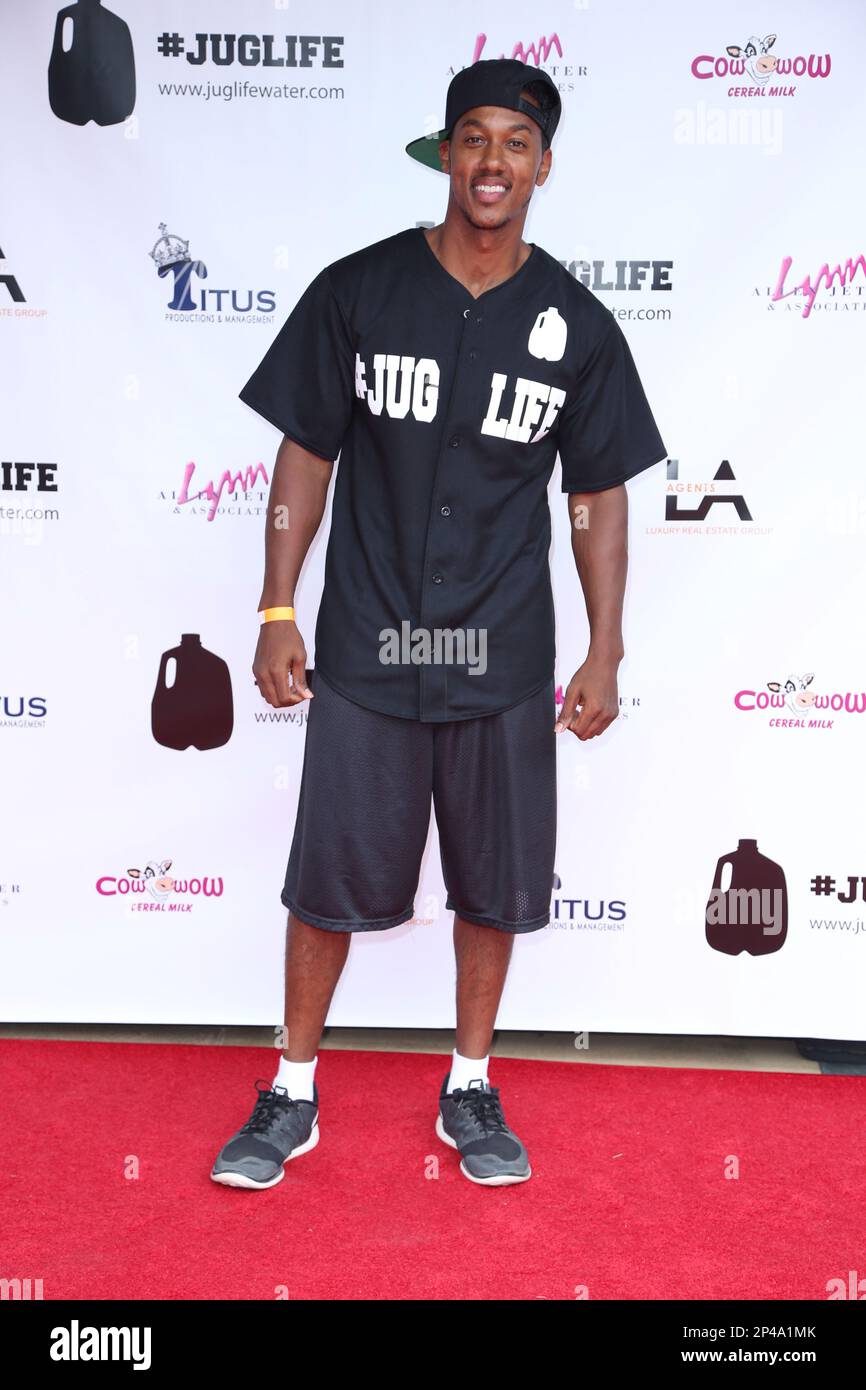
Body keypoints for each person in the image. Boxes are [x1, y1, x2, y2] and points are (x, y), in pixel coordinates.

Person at [211, 58, 667, 1190]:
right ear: (445, 152)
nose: (492, 162)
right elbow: (303, 452)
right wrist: (276, 606)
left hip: (500, 650)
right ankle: (293, 1089)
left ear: (543, 166)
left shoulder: (575, 320)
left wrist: (604, 645)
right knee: (326, 879)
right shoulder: (359, 289)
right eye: (473, 138)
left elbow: (597, 493)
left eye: (516, 142)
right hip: (368, 644)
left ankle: (469, 1082)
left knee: (492, 881)